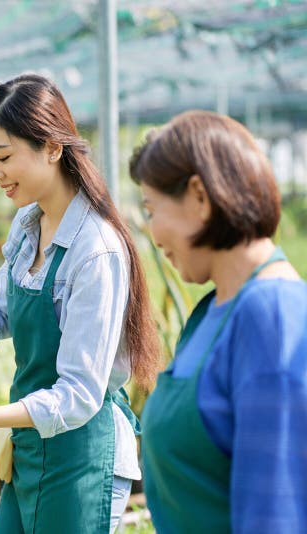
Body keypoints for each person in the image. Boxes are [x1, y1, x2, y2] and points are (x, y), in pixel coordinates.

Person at [0, 74, 161, 533]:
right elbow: (0, 308)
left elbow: (79, 395)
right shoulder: (28, 223)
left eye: (3, 157)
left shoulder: (96, 250)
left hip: (81, 458)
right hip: (32, 445)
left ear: (53, 148)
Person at [130, 110, 307, 533]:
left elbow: (276, 515)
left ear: (199, 197)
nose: (152, 234)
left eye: (152, 209)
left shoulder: (273, 316)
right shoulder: (211, 312)